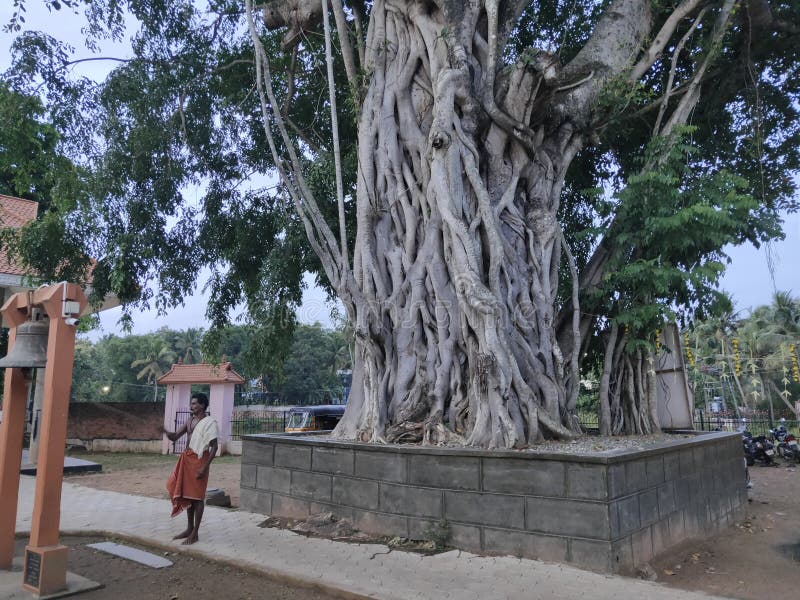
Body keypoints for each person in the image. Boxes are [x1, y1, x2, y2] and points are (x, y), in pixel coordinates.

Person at [161, 392, 219, 545]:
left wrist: (204, 468)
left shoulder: (209, 422)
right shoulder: (189, 420)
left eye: (194, 404)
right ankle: (189, 528)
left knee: (198, 497)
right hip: (186, 459)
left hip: (200, 461)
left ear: (202, 405)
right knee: (187, 495)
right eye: (191, 403)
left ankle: (195, 533)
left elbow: (214, 447)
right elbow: (174, 437)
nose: (191, 406)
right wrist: (165, 431)